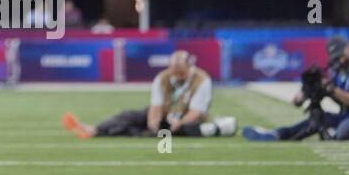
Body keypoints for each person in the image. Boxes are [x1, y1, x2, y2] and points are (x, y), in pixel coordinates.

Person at [63, 51, 236, 138]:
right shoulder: (162, 78)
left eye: (181, 73)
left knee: (187, 129)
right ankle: (95, 130)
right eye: (175, 72)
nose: (178, 76)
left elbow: (196, 112)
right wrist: (153, 120)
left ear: (189, 68)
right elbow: (156, 106)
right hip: (167, 115)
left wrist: (179, 123)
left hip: (188, 119)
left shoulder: (202, 80)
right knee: (130, 115)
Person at [242, 36, 349, 141]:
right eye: (337, 57)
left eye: (341, 56)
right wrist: (308, 92)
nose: (341, 60)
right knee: (323, 118)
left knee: (346, 128)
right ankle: (278, 134)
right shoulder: (344, 71)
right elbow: (335, 92)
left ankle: (334, 133)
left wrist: (332, 90)